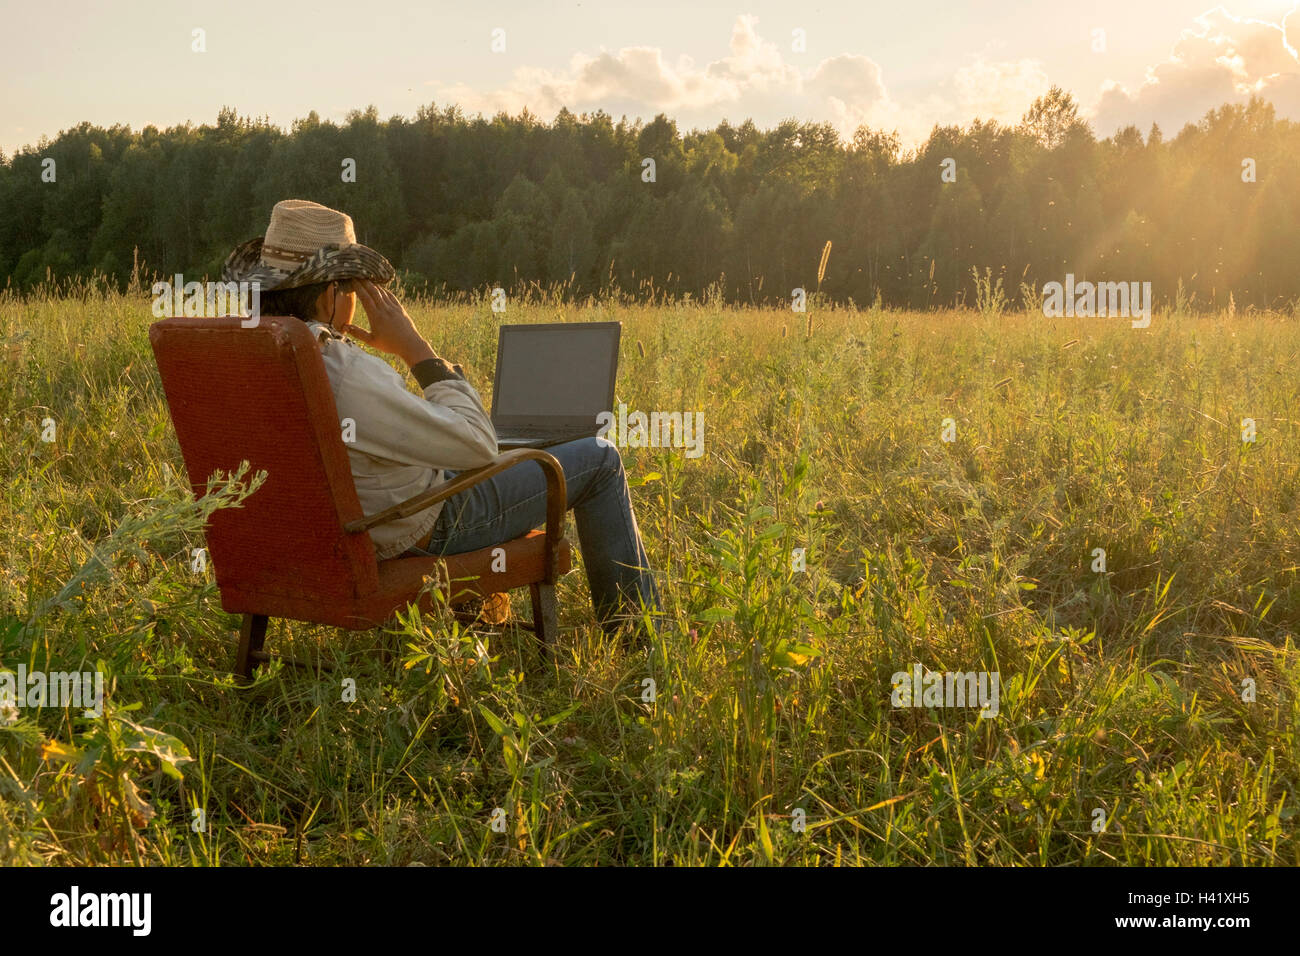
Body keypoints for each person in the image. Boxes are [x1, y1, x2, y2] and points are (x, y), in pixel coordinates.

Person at [221, 199, 662, 640]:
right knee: (600, 458)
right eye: (354, 290)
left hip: (320, 529)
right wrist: (417, 350)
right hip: (411, 527)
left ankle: (479, 631)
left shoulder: (243, 354)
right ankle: (638, 638)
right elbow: (478, 444)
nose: (356, 303)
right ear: (329, 293)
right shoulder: (341, 370)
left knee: (512, 451)